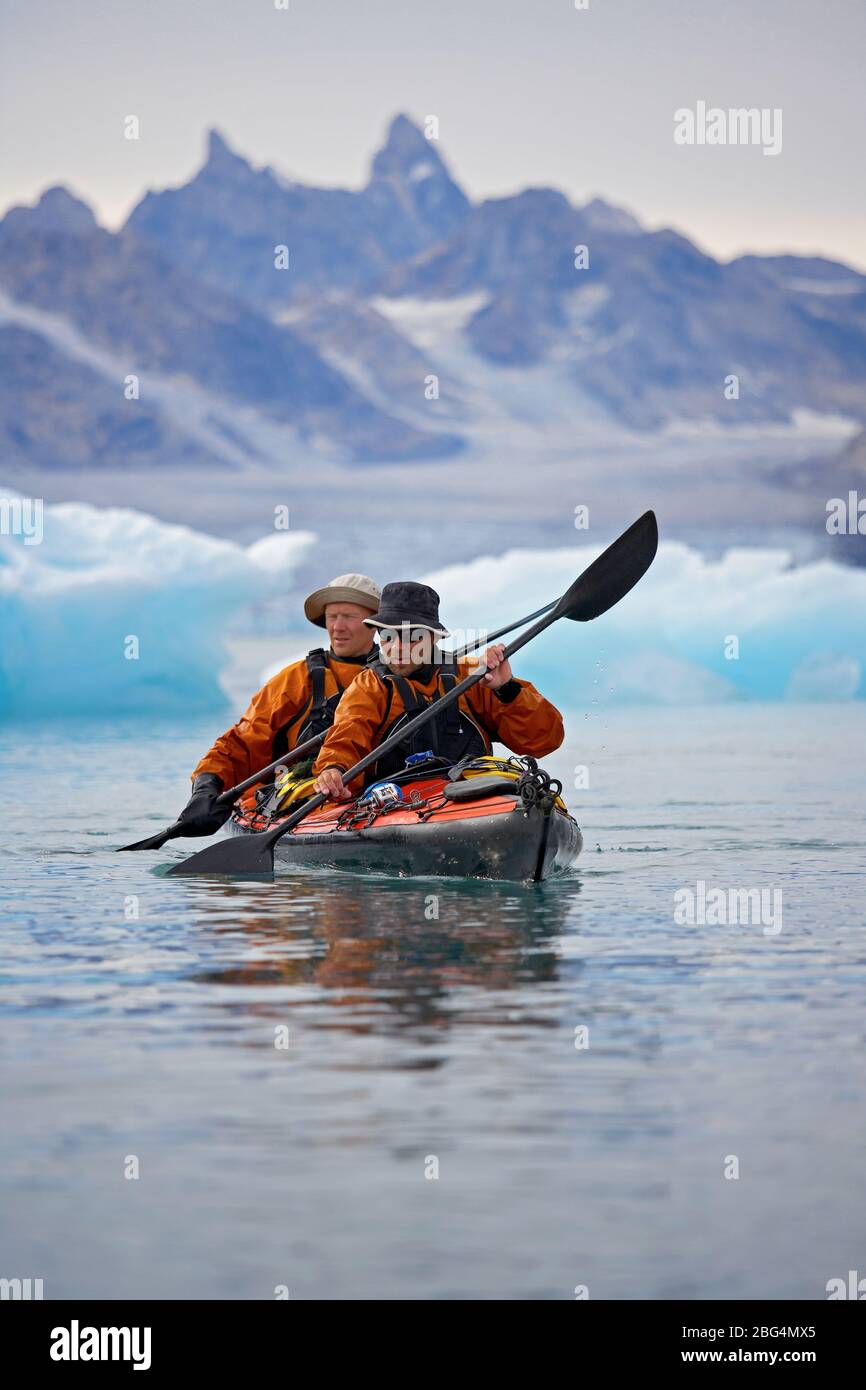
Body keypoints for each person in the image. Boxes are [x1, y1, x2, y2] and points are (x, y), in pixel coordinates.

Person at [312, 581, 563, 801]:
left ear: (434, 638)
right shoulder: (370, 686)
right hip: (396, 803)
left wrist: (506, 689)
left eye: (412, 637)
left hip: (473, 797)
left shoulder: (473, 676)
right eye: (388, 636)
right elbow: (346, 737)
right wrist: (334, 769)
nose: (398, 648)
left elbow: (544, 741)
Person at [178, 573, 381, 835]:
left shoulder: (396, 676)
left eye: (349, 617)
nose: (337, 627)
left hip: (381, 797)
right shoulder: (296, 679)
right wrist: (207, 785)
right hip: (303, 796)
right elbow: (243, 741)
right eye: (332, 617)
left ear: (374, 623)